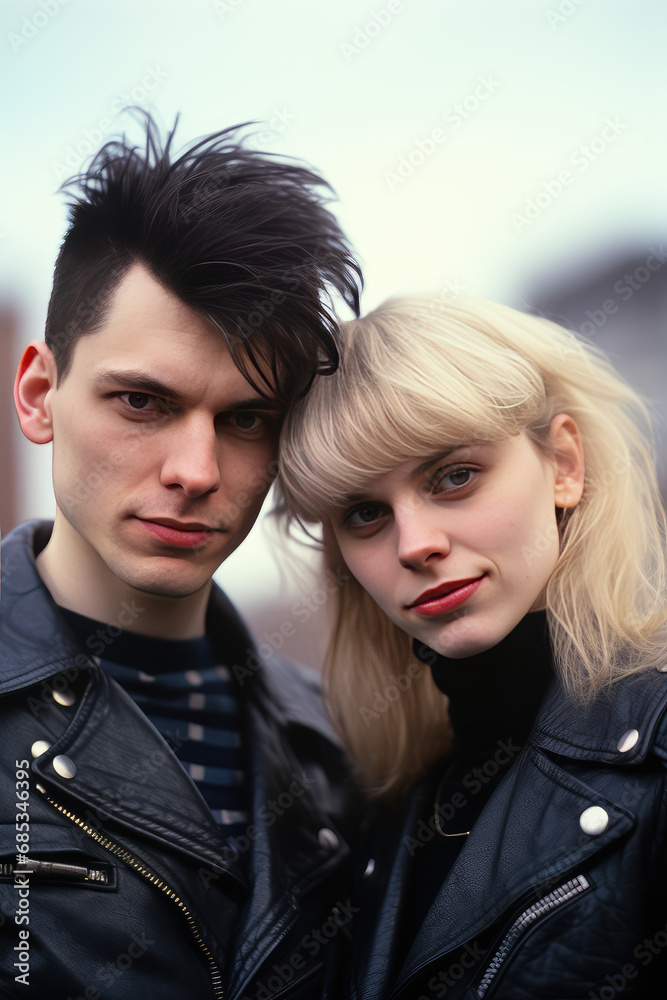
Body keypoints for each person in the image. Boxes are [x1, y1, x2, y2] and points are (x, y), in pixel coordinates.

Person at [0, 111, 363, 999]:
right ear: (40, 394)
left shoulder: (347, 739)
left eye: (246, 420)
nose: (196, 473)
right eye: (142, 402)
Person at [279, 295, 667, 998]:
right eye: (364, 513)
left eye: (453, 476)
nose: (415, 543)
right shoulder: (384, 811)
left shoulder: (656, 749)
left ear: (563, 466)